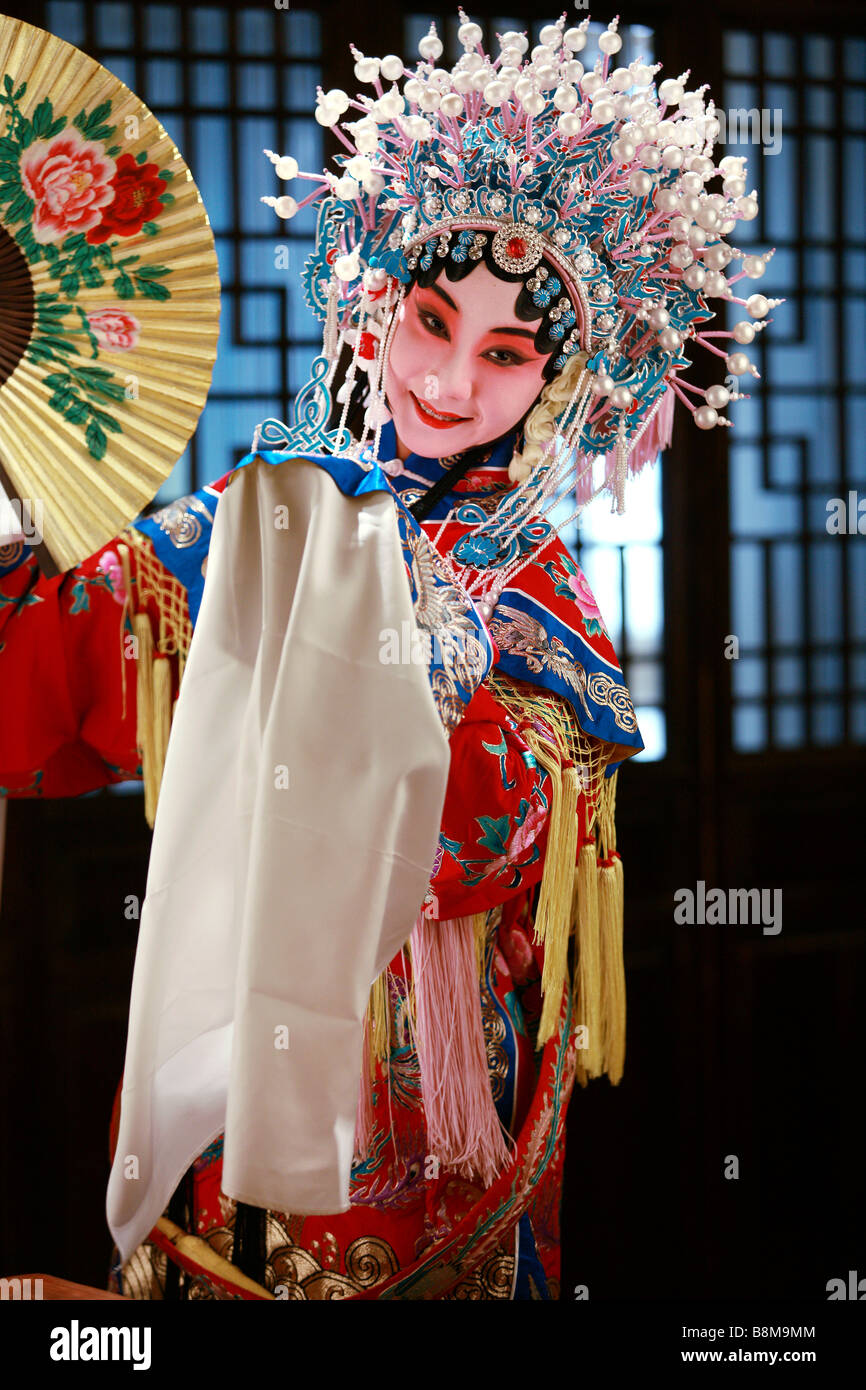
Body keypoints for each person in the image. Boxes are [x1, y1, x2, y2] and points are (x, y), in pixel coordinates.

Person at [0, 11, 768, 1299]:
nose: (451, 383)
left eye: (506, 354)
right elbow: (61, 682)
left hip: (417, 1077)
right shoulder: (261, 514)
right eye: (430, 321)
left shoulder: (531, 585)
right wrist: (16, 508)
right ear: (375, 305)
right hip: (230, 1014)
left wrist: (407, 653)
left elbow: (484, 837)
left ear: (559, 384)